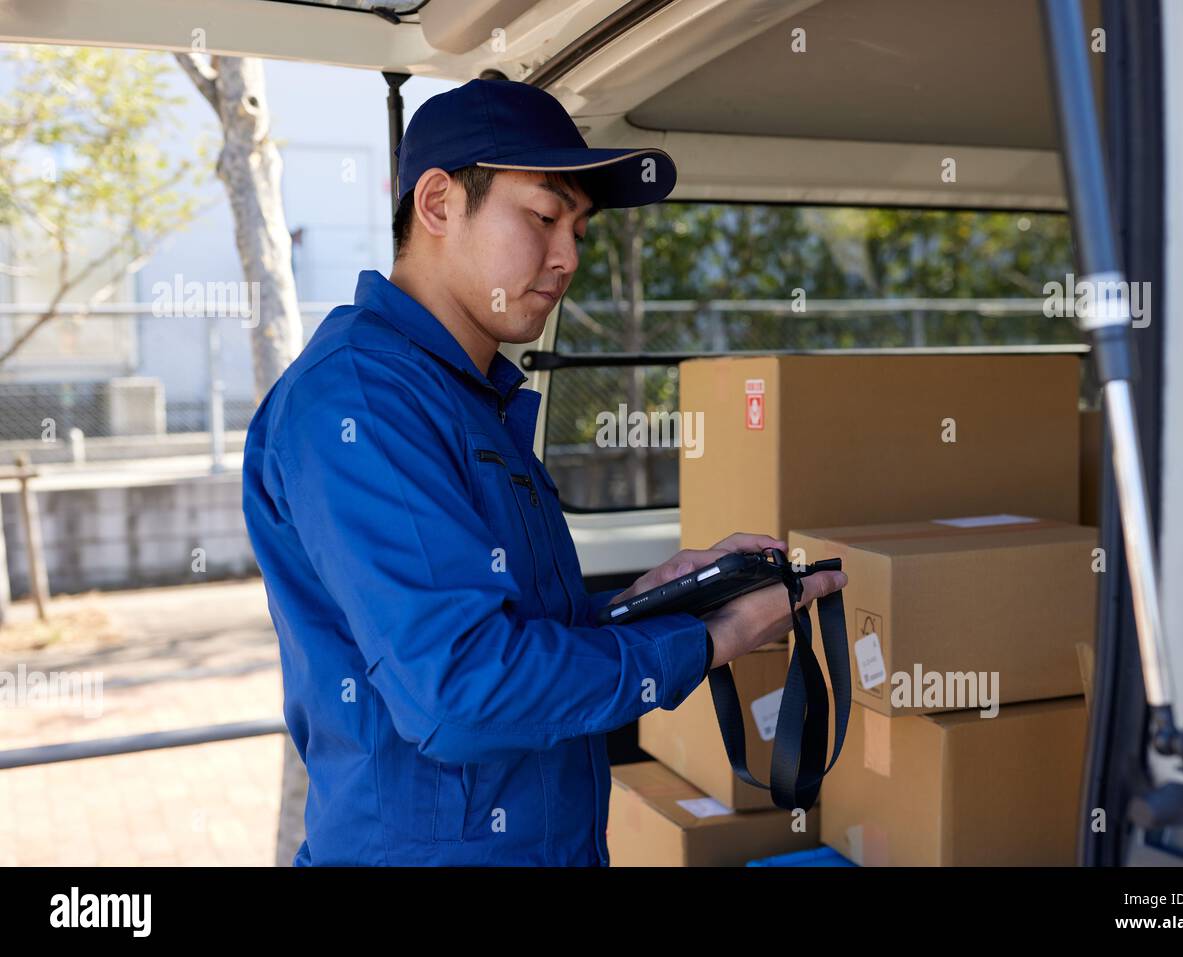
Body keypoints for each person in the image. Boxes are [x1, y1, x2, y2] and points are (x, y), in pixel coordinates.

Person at [241, 78, 847, 866]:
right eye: (543, 217)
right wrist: (707, 640)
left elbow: (503, 634)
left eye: (580, 231)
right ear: (437, 204)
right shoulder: (361, 401)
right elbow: (460, 693)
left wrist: (647, 603)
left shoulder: (463, 395)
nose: (566, 259)